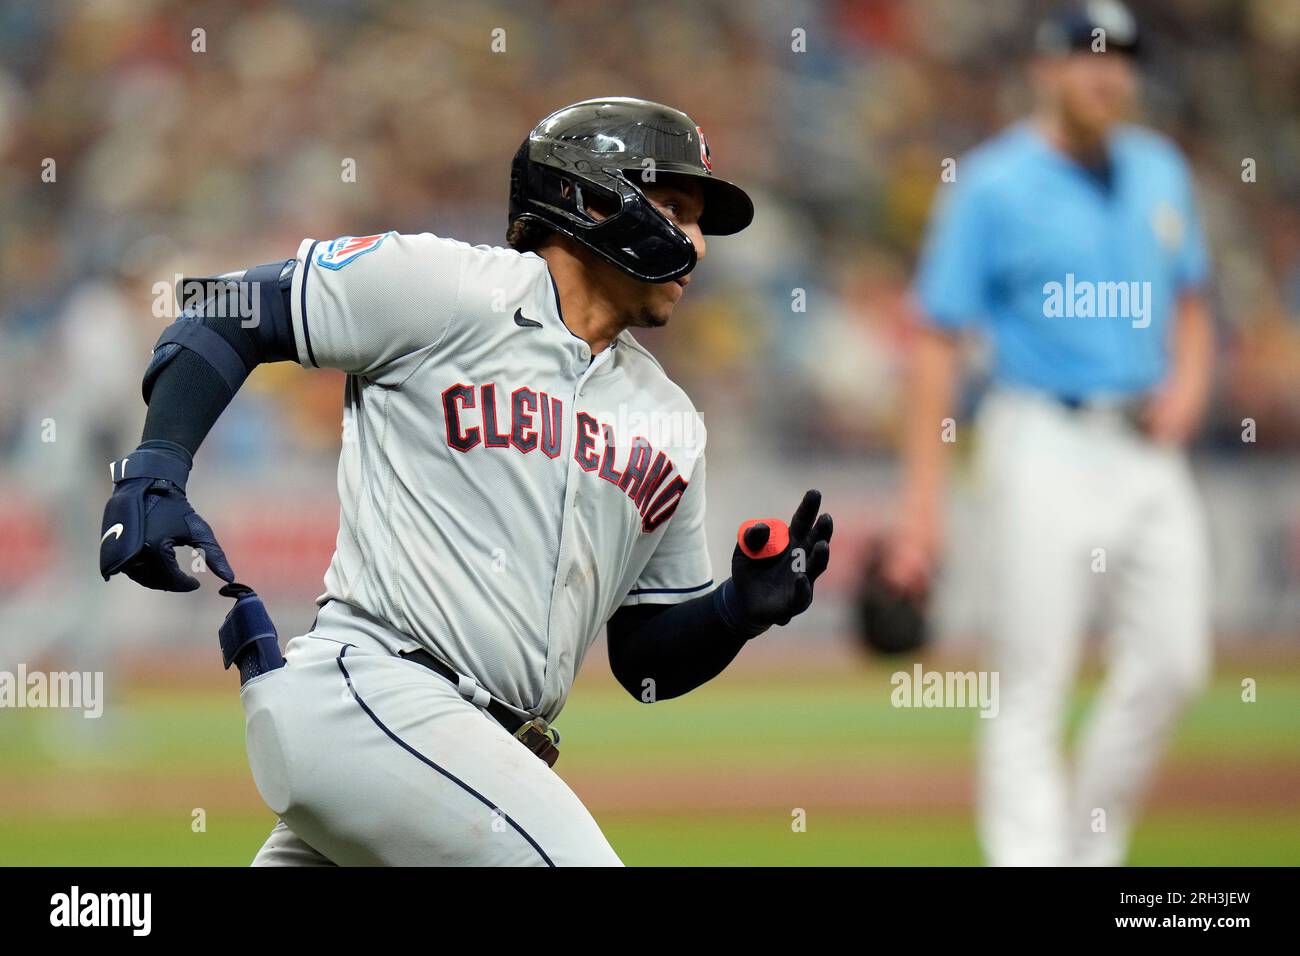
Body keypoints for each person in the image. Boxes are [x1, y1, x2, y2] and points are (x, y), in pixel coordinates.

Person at [98, 97, 833, 866]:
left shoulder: (671, 419)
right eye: (676, 207)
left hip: (464, 760)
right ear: (589, 195)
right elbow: (229, 310)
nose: (698, 245)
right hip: (372, 695)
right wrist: (156, 466)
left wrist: (735, 612)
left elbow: (643, 660)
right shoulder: (447, 288)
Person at [890, 2, 1213, 865]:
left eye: (1122, 58)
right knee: (1032, 681)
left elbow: (1190, 303)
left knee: (1176, 664)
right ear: (1046, 69)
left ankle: (1085, 851)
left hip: (1146, 443)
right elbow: (933, 338)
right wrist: (923, 506)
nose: (1107, 74)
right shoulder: (994, 184)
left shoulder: (1158, 170)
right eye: (1087, 55)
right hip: (1040, 438)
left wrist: (1189, 383)